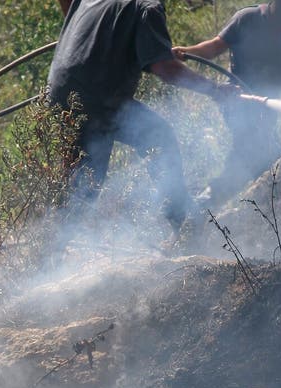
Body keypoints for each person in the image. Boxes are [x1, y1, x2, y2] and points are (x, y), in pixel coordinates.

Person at [48, 0, 236, 242]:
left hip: (58, 90)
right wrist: (217, 91)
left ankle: (52, 247)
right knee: (157, 138)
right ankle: (185, 226)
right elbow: (165, 68)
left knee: (79, 179)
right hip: (96, 97)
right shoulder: (148, 7)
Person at [175, 0, 281, 207]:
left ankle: (209, 207)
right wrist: (186, 51)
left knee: (265, 160)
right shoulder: (247, 19)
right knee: (257, 154)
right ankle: (207, 208)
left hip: (267, 107)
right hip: (237, 100)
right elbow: (213, 48)